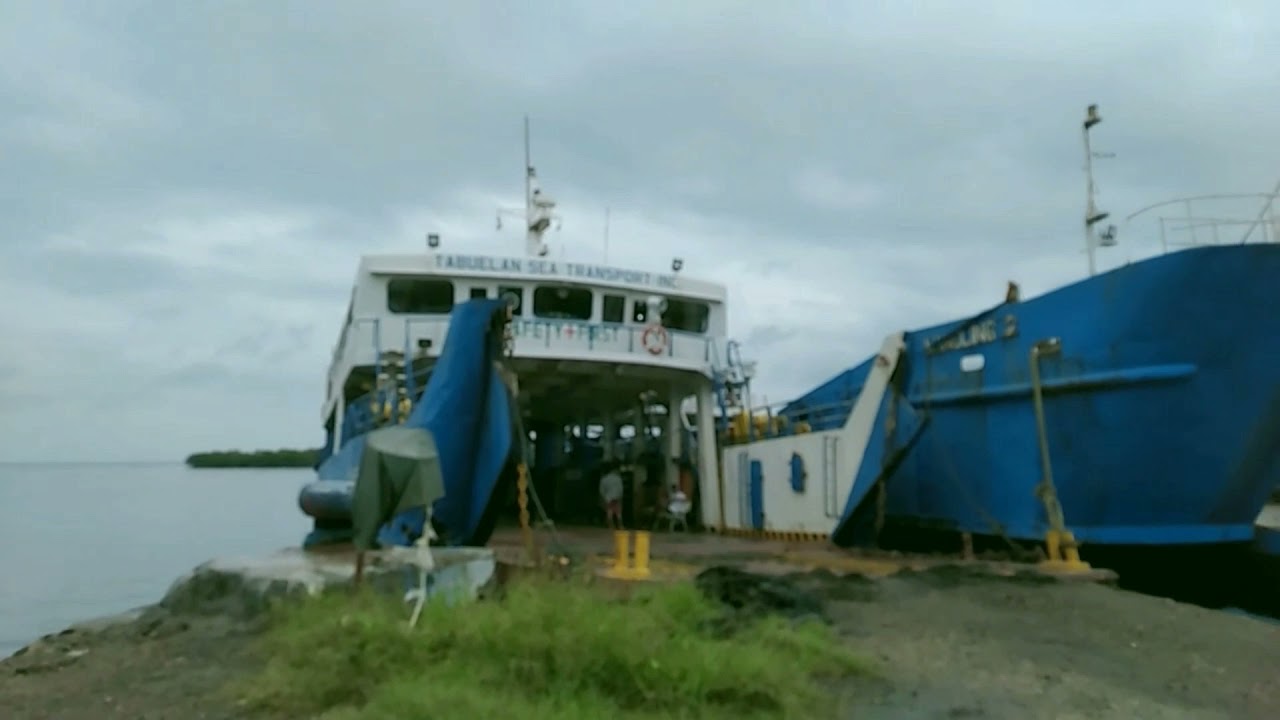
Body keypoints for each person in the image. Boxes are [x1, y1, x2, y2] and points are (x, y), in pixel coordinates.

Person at [599, 462, 624, 529]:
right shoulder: (618, 478)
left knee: (609, 513)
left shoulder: (604, 479)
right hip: (617, 497)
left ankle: (611, 527)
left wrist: (604, 500)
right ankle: (620, 526)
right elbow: (621, 489)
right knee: (618, 514)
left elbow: (602, 492)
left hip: (608, 498)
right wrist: (620, 498)